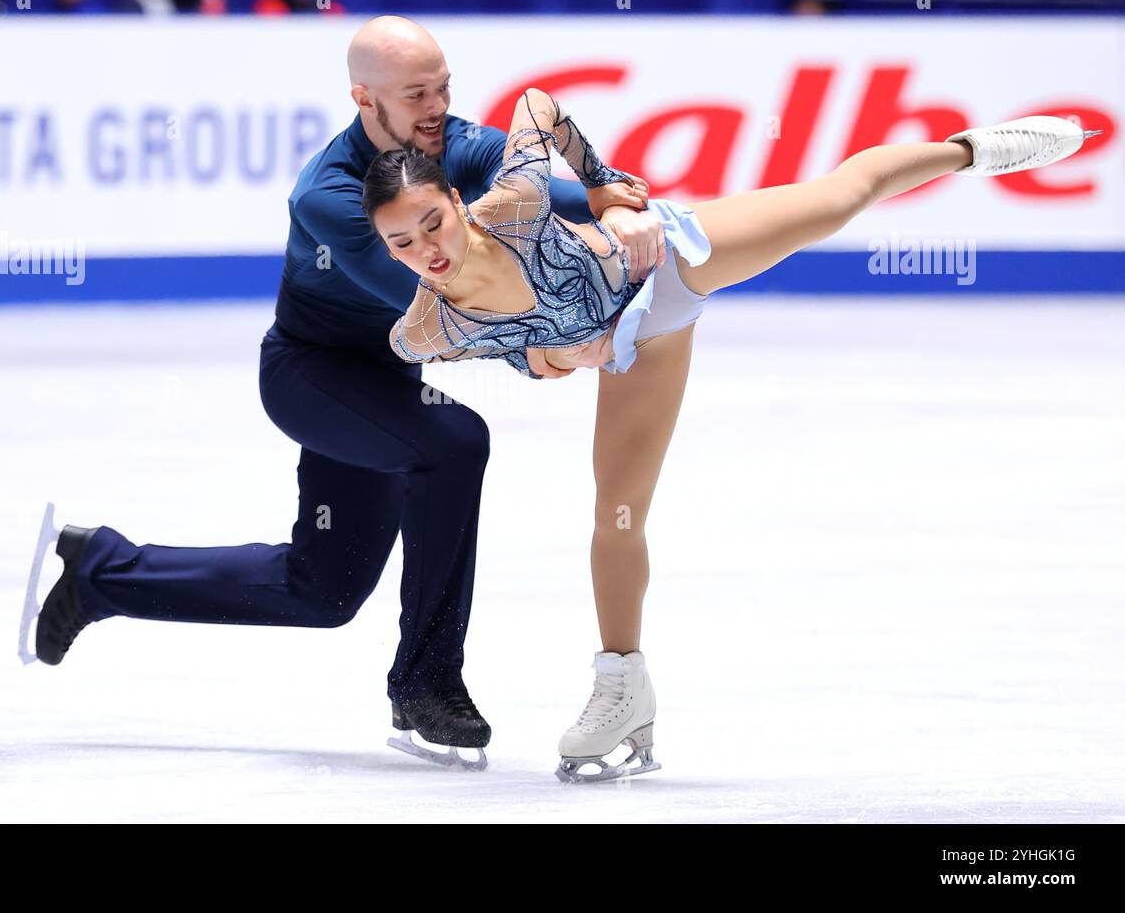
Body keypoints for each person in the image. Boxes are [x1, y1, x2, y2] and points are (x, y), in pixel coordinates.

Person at [364, 87, 1101, 781]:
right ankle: (623, 686)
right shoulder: (425, 330)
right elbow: (522, 357)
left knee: (841, 198)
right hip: (634, 347)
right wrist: (559, 357)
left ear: (456, 201)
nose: (427, 248)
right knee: (616, 516)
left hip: (673, 265)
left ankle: (970, 150)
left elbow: (536, 105)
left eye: (434, 221)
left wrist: (599, 184)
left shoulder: (517, 203)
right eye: (402, 243)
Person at [19, 17, 663, 770]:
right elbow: (446, 309)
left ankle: (104, 572)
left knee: (321, 592)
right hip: (312, 375)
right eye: (415, 93)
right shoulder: (328, 197)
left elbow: (548, 193)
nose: (436, 105)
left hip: (386, 384)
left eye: (444, 87)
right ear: (363, 98)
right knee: (456, 444)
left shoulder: (451, 144)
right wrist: (546, 350)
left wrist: (614, 203)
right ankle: (426, 683)